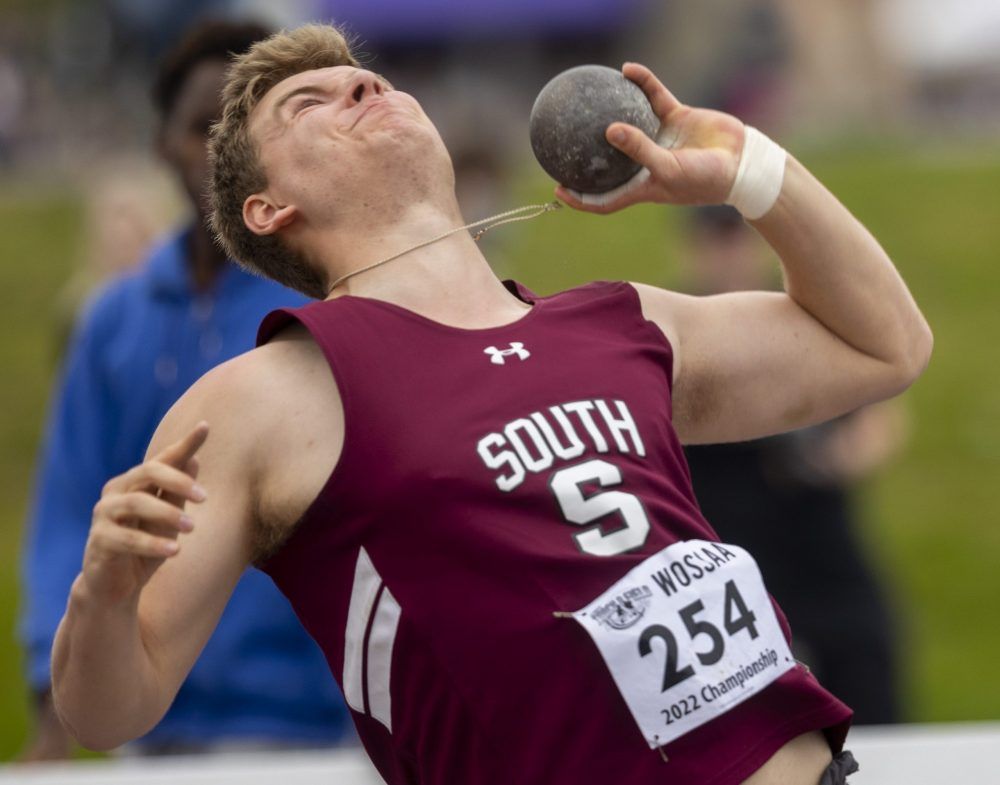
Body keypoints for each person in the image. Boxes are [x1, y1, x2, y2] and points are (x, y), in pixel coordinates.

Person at [50, 23, 932, 785]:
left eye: (371, 78)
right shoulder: (267, 397)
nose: (360, 83)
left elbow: (884, 344)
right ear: (269, 207)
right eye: (306, 105)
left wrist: (748, 167)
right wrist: (104, 593)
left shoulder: (621, 322)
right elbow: (111, 707)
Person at [19, 21, 353, 759]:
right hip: (147, 725)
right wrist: (56, 687)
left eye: (237, 131)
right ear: (160, 143)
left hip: (316, 731)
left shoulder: (327, 312)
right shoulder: (110, 320)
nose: (214, 153)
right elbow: (70, 502)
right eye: (199, 127)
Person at [680, 205, 907, 724]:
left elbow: (878, 407)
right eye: (717, 241)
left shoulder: (798, 311)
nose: (728, 254)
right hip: (724, 541)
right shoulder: (674, 325)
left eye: (736, 238)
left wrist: (839, 459)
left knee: (867, 670)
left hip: (816, 528)